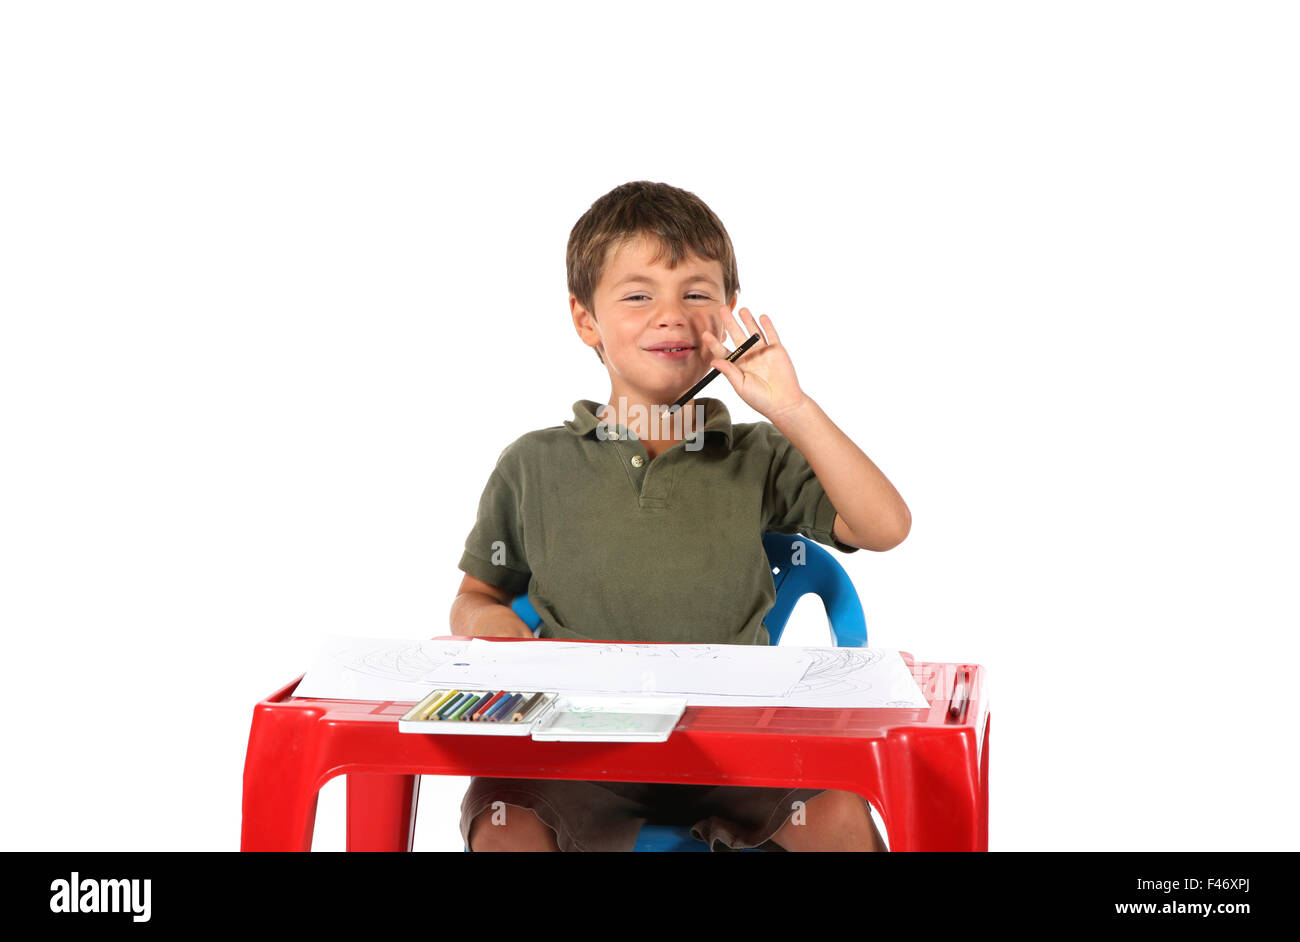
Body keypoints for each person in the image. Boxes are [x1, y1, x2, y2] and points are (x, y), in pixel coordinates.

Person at [450, 181, 911, 851]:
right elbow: (474, 598)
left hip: (740, 749)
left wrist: (792, 408)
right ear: (586, 320)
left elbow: (884, 526)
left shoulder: (758, 453)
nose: (671, 315)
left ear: (726, 315)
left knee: (838, 813)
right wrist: (498, 632)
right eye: (638, 295)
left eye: (697, 294)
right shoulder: (532, 464)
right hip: (581, 753)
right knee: (506, 821)